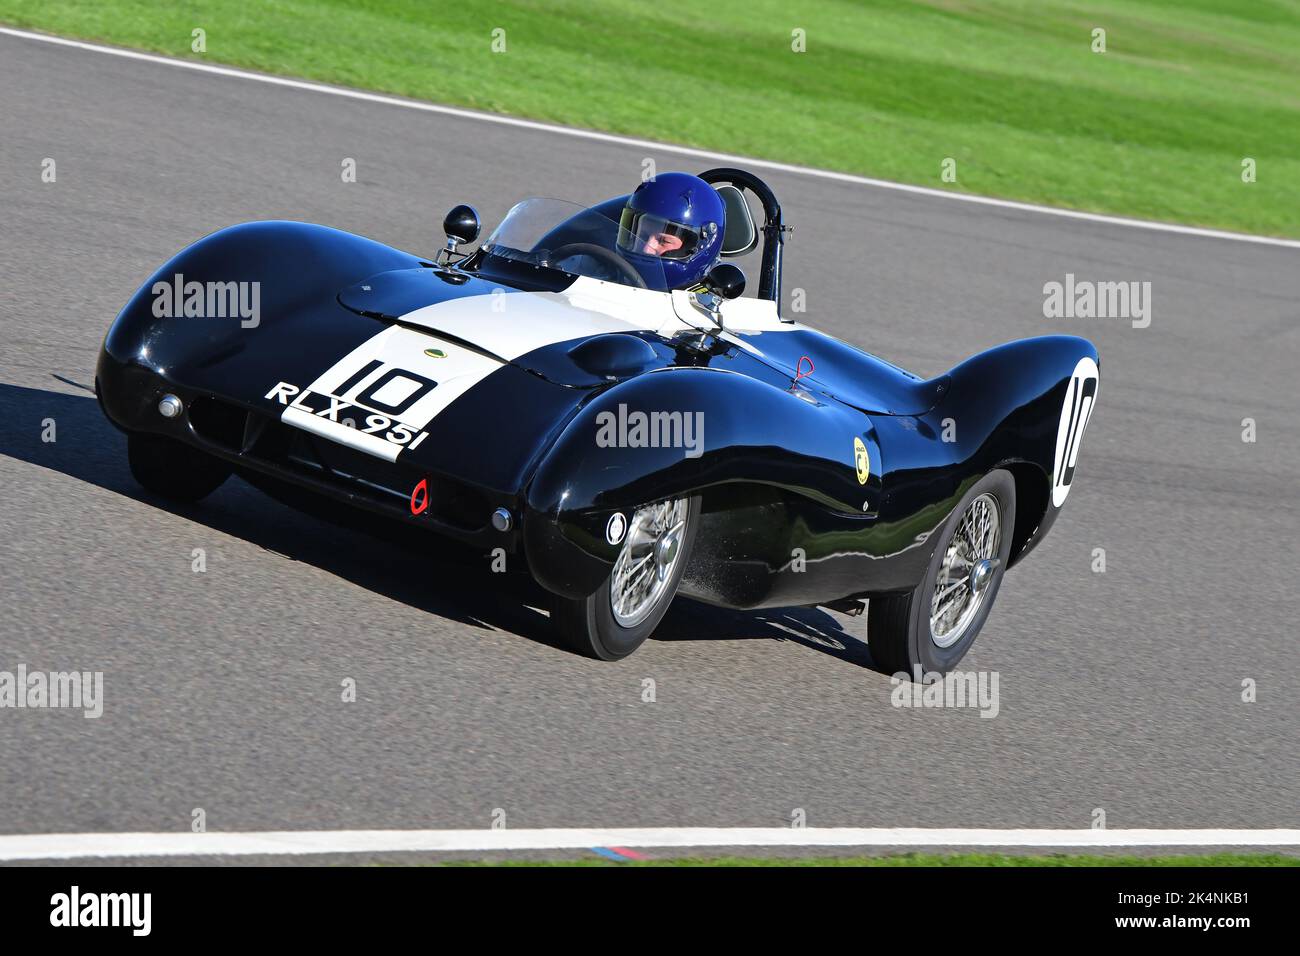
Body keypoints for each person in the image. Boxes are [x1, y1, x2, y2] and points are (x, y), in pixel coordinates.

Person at [616, 172, 726, 289]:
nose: (647, 249)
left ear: (702, 246)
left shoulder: (703, 304)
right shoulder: (609, 271)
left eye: (663, 241)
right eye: (641, 237)